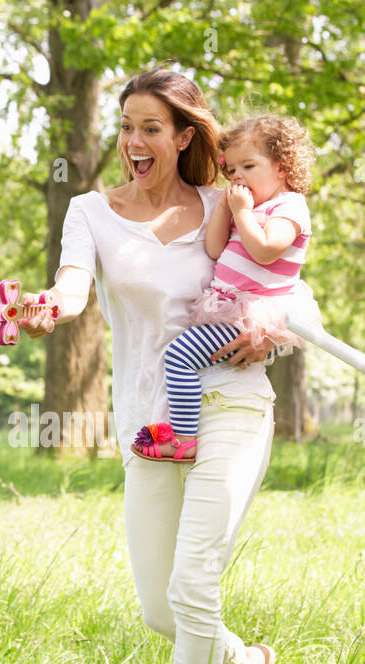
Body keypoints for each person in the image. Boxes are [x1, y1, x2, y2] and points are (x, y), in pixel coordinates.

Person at [23, 70, 282, 664]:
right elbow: (72, 287)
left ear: (184, 135)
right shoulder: (91, 211)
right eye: (126, 127)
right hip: (151, 422)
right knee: (160, 608)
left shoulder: (225, 202)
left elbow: (281, 272)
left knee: (194, 579)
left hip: (231, 399)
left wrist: (267, 322)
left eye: (150, 128)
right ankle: (245, 662)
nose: (133, 143)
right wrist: (47, 306)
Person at [133, 113, 314, 463]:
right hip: (225, 306)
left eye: (249, 165)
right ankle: (185, 429)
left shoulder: (289, 206)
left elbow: (264, 250)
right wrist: (223, 209)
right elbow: (214, 249)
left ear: (282, 168)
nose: (238, 177)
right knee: (184, 358)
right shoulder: (245, 207)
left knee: (178, 356)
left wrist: (243, 212)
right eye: (231, 171)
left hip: (251, 315)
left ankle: (184, 440)